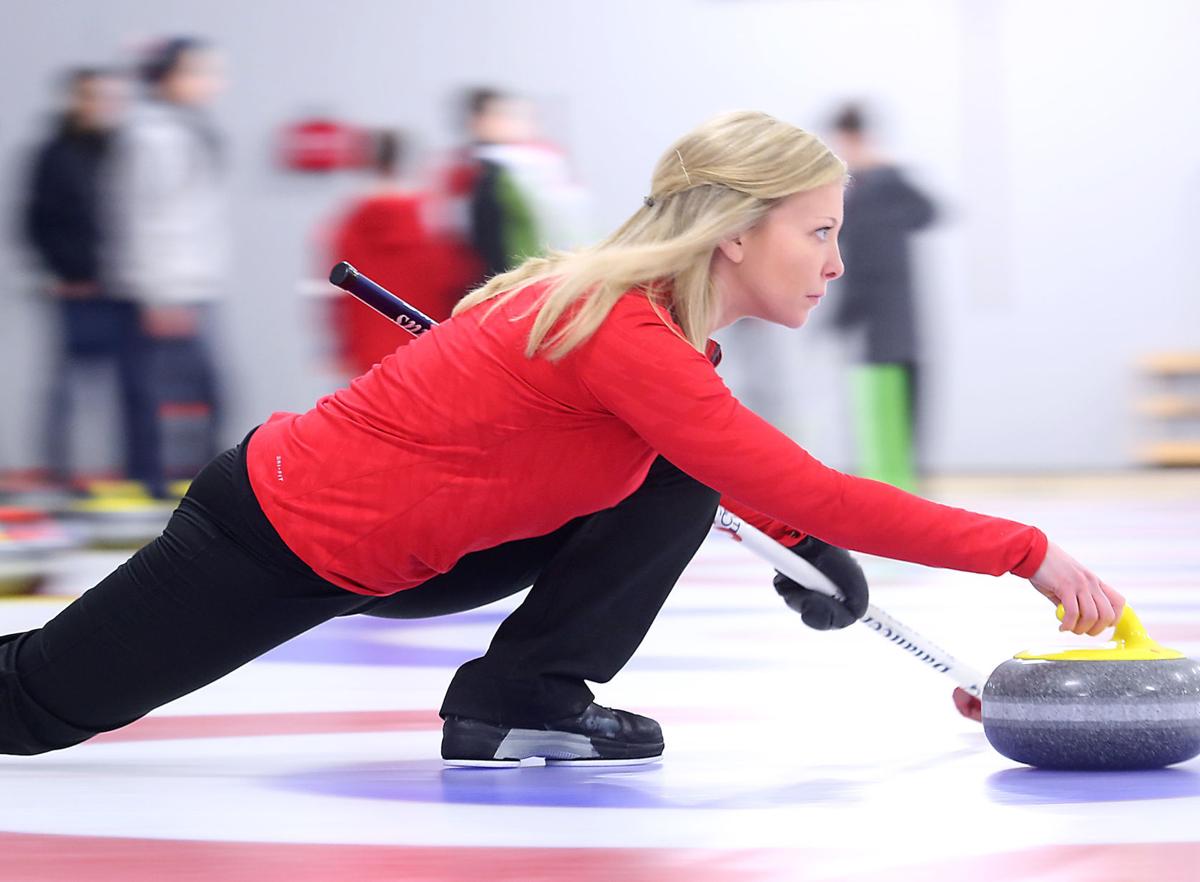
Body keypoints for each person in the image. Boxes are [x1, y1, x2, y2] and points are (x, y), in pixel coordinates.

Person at [0, 112, 1122, 764]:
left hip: (413, 556)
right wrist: (1027, 551)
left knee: (680, 473)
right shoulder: (618, 331)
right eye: (818, 233)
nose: (835, 263)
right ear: (734, 233)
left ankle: (520, 702)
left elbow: (749, 479)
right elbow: (811, 486)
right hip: (275, 537)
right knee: (31, 711)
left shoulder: (655, 346)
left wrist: (802, 549)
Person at [101, 37, 228, 496]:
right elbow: (140, 217)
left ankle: (198, 490)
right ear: (169, 78)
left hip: (192, 284)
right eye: (200, 72)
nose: (213, 82)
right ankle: (157, 490)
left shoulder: (189, 129)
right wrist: (160, 295)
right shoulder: (149, 136)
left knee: (205, 395)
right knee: (158, 400)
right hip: (164, 288)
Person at [22, 68, 129, 487]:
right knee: (66, 387)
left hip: (123, 287)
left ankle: (122, 476)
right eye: (92, 98)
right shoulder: (54, 153)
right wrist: (65, 271)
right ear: (75, 101)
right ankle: (59, 474)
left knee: (129, 390)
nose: (102, 107)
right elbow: (36, 220)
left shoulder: (123, 151)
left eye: (109, 98)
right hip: (75, 288)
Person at [828, 103, 936, 492]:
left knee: (894, 418)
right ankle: (891, 495)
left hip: (889, 325)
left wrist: (886, 171)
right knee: (879, 420)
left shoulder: (880, 184)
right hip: (873, 325)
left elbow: (929, 213)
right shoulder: (854, 189)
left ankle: (899, 498)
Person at [325, 129, 478, 376]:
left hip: (367, 351)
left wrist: (343, 350)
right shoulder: (435, 221)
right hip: (423, 343)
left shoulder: (349, 223)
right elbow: (452, 282)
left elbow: (339, 296)